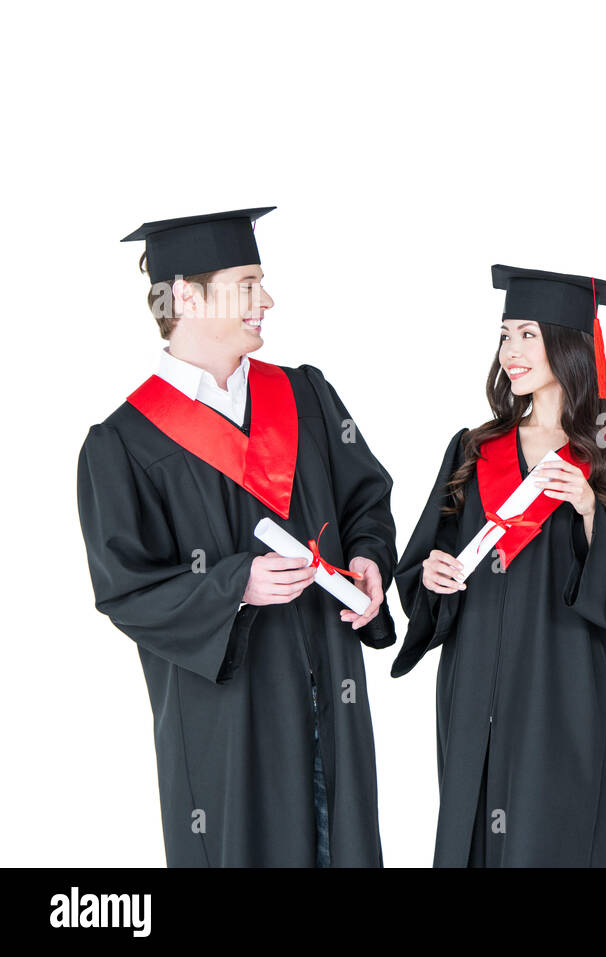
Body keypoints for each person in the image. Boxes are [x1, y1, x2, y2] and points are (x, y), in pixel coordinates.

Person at [76, 207, 397, 867]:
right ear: (187, 296)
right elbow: (126, 591)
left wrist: (368, 561)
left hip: (330, 704)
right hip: (229, 728)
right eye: (248, 284)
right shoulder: (124, 444)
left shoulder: (307, 394)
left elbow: (367, 497)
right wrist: (235, 585)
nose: (267, 301)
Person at [392, 265, 606, 867]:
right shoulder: (472, 449)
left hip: (562, 688)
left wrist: (589, 508)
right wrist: (432, 579)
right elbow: (419, 567)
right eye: (505, 334)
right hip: (472, 684)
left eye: (527, 335)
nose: (510, 350)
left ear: (569, 345)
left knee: (553, 834)